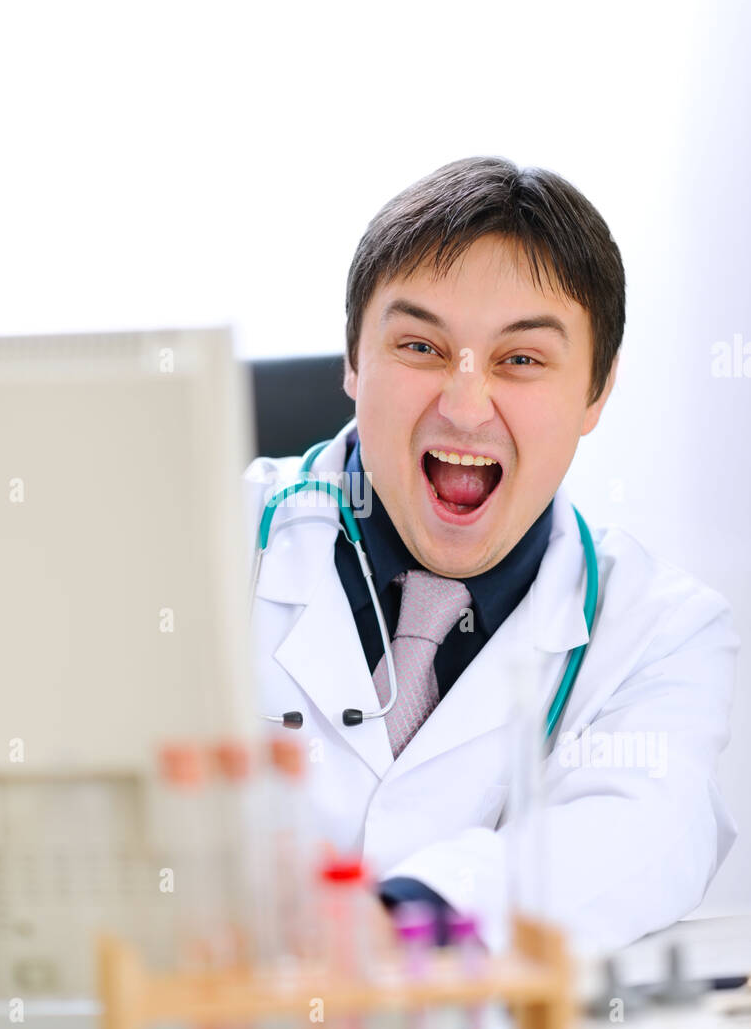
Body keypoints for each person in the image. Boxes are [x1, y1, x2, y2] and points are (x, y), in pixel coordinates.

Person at [244, 156, 739, 954]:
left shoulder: (660, 631)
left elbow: (646, 830)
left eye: (521, 360)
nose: (466, 406)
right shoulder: (205, 546)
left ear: (597, 392)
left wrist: (401, 922)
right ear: (352, 360)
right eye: (420, 347)